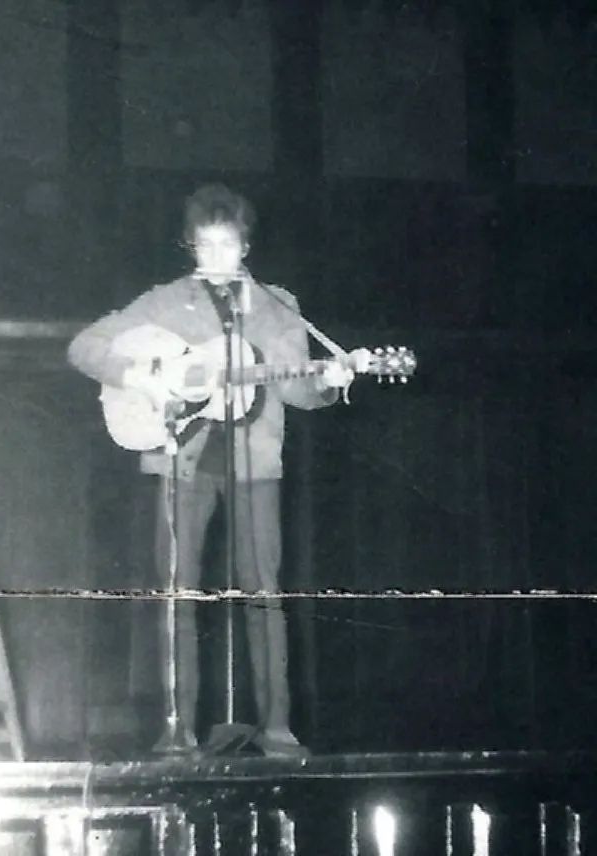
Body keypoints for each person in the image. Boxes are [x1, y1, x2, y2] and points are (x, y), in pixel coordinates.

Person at [68, 183, 368, 757]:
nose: (215, 258)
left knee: (265, 592)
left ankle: (277, 727)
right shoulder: (163, 302)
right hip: (181, 456)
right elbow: (86, 347)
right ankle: (177, 727)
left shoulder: (278, 304)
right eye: (204, 247)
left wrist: (328, 381)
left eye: (226, 246)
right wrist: (141, 378)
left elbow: (300, 390)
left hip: (254, 461)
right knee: (178, 592)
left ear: (245, 247)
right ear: (191, 247)